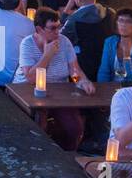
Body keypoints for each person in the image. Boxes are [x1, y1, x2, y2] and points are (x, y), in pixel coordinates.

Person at [13, 8, 95, 151]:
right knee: (39, 125)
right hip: (29, 92)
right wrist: (47, 55)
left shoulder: (64, 42)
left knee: (74, 128)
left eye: (59, 26)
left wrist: (82, 81)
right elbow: (31, 78)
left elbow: (74, 71)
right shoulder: (27, 44)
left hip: (58, 94)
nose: (58, 31)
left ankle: (66, 154)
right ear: (39, 29)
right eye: (52, 28)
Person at [62, 0, 114, 76]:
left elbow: (61, 39)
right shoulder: (111, 14)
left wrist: (66, 11)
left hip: (83, 70)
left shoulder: (74, 20)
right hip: (109, 66)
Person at [97, 8, 132, 83]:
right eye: (120, 20)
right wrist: (103, 87)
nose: (123, 24)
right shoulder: (109, 42)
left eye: (128, 21)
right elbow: (104, 71)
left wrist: (127, 57)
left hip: (131, 87)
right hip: (110, 86)